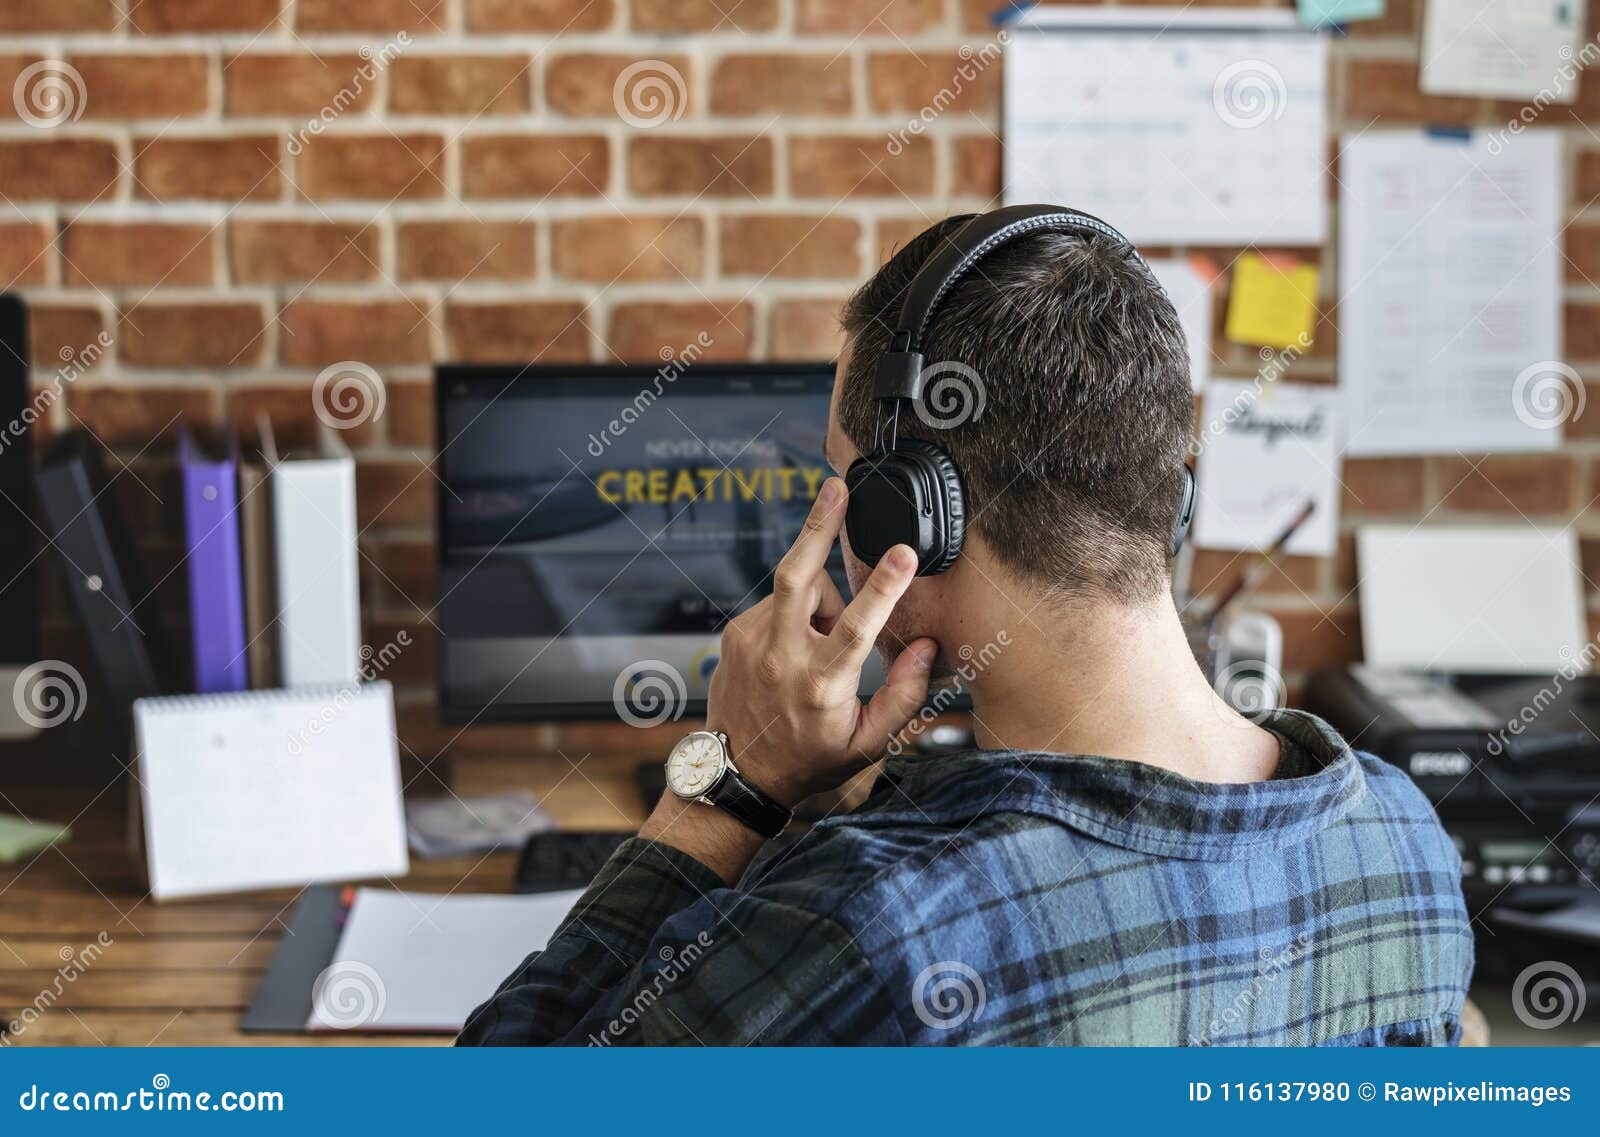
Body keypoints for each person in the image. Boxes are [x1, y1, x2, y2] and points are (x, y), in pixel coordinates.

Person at [457, 210, 1472, 1046]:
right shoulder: (1404, 841)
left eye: (848, 478)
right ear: (1174, 498)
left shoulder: (886, 926)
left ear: (910, 517)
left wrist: (730, 786)